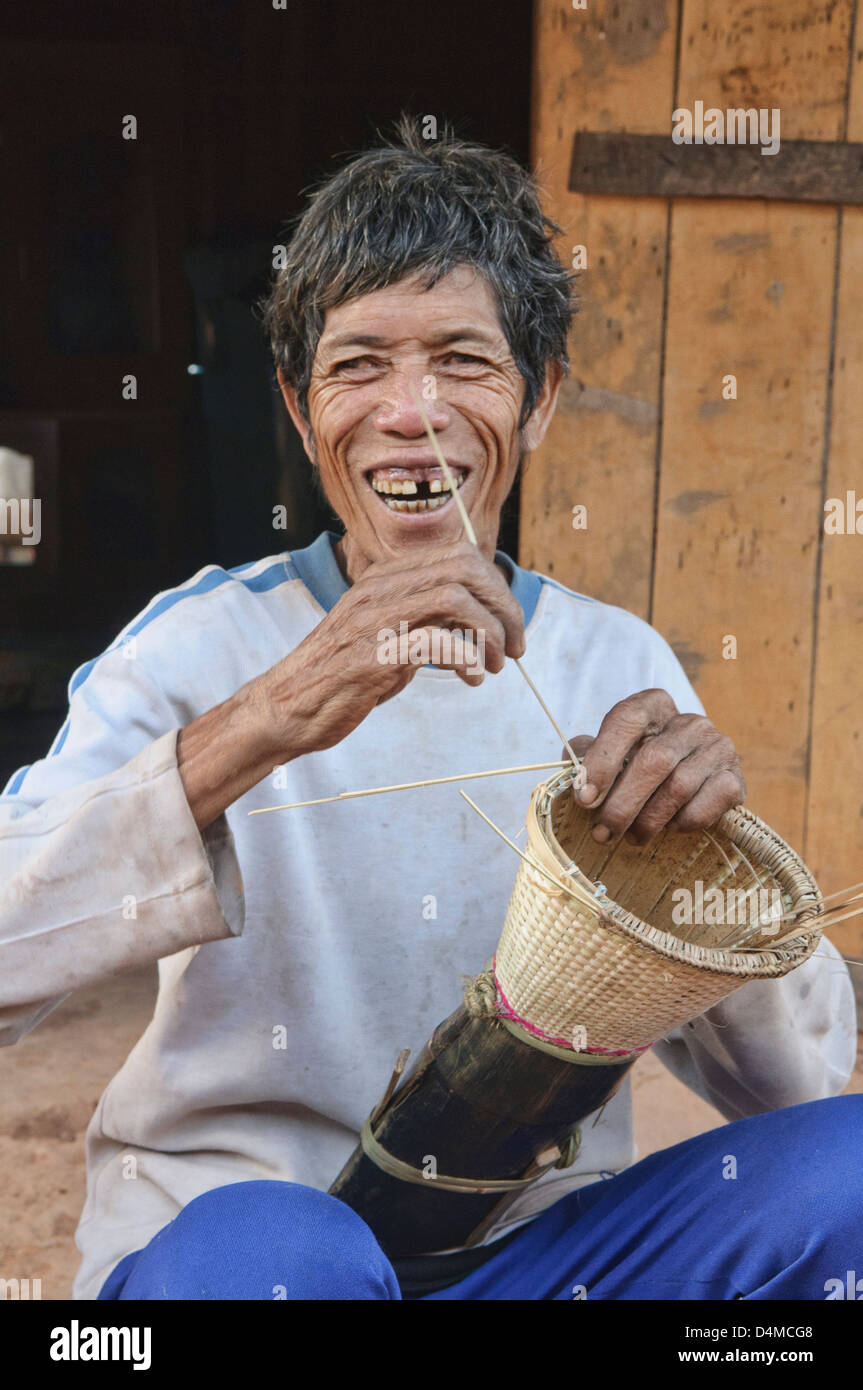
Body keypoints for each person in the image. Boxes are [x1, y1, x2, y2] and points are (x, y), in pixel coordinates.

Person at [0, 117, 857, 1302]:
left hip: (539, 1256)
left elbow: (803, 1084)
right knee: (286, 1252)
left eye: (463, 359)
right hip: (247, 1252)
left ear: (541, 399)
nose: (412, 412)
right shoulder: (198, 647)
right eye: (358, 366)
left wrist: (702, 872)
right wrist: (264, 721)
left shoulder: (614, 663)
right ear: (301, 417)